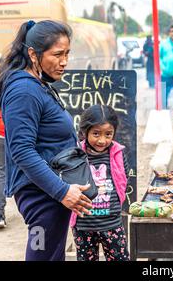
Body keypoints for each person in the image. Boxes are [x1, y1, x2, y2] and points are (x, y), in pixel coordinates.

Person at [0, 20, 93, 261]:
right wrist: (62, 191)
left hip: (51, 193)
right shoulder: (23, 90)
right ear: (33, 54)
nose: (64, 61)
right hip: (42, 196)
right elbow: (22, 151)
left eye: (67, 53)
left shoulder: (37, 85)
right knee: (41, 254)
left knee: (52, 256)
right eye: (57, 54)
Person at [71, 105, 130, 261]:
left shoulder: (118, 153)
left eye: (108, 134)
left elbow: (123, 180)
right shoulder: (76, 155)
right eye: (96, 134)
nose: (102, 140)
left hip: (112, 223)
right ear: (85, 132)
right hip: (83, 226)